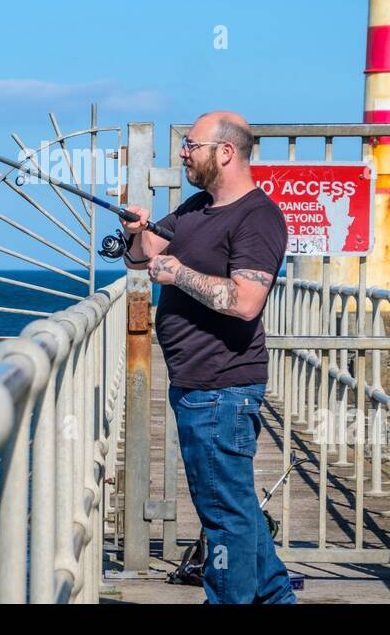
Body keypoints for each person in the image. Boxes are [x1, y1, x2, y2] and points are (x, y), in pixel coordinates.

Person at [119, 110, 297, 604]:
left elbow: (244, 302)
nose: (182, 154)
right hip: (195, 386)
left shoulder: (258, 218)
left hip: (223, 388)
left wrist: (178, 275)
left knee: (225, 517)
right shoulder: (198, 208)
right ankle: (278, 599)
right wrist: (136, 229)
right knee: (234, 506)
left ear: (225, 152)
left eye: (191, 146)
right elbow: (142, 255)